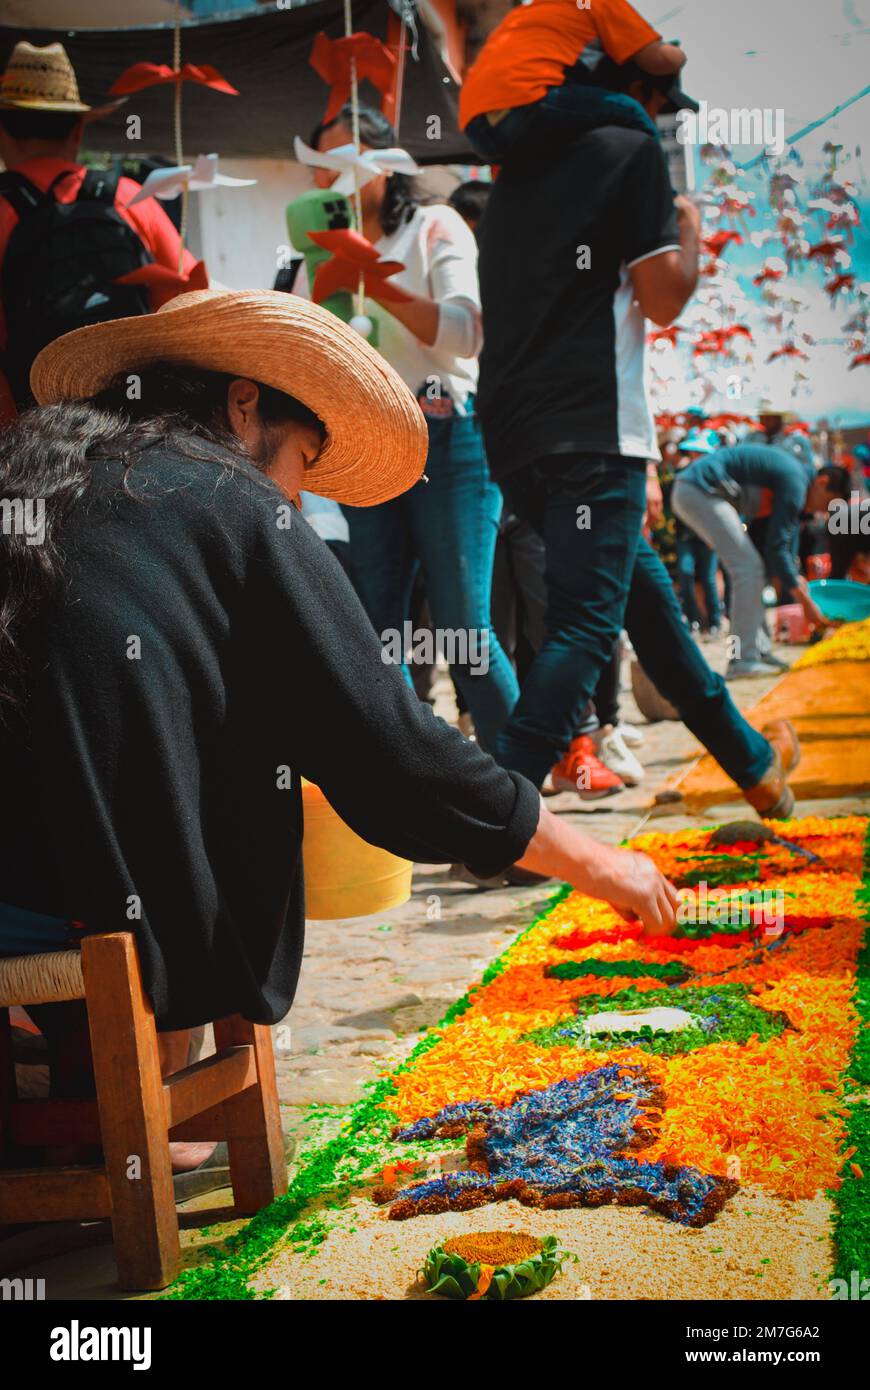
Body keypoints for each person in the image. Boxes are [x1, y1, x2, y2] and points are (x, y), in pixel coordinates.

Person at [0, 290, 680, 1112]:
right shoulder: (230, 498)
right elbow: (393, 749)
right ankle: (135, 1083)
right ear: (244, 405)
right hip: (87, 909)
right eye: (300, 466)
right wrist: (604, 865)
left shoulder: (30, 465)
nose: (294, 499)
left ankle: (86, 1081)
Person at [476, 61, 801, 819]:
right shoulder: (632, 149)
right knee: (588, 624)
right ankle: (499, 818)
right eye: (661, 107)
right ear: (640, 96)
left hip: (519, 431)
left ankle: (753, 765)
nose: (663, 122)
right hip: (593, 428)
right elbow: (661, 299)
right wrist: (688, 232)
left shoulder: (515, 170)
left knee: (650, 613)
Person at [298, 103, 518, 752]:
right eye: (317, 167)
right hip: (365, 449)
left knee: (465, 633)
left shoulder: (436, 225)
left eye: (342, 161)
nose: (327, 180)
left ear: (384, 163)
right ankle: (410, 811)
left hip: (450, 441)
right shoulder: (313, 253)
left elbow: (465, 334)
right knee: (374, 636)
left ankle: (525, 808)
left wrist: (370, 275)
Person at [0, 41, 199, 420]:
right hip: (131, 423)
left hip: (34, 434)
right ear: (77, 130)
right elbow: (188, 300)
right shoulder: (126, 197)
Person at [672, 444, 850, 678]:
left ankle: (758, 650)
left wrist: (792, 578)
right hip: (699, 490)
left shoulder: (792, 478)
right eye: (828, 504)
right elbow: (777, 548)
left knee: (753, 569)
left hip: (698, 491)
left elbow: (772, 550)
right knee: (746, 569)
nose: (823, 512)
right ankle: (740, 659)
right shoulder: (795, 481)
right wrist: (806, 603)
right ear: (822, 482)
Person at [459, 0, 687, 164]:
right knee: (632, 113)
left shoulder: (527, 14)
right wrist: (679, 55)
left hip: (476, 126)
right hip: (525, 102)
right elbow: (659, 60)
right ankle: (666, 199)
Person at [673, 429, 723, 635]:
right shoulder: (680, 476)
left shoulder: (717, 478)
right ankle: (692, 620)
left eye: (700, 452)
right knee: (685, 573)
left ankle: (714, 622)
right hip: (685, 536)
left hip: (708, 537)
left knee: (709, 578)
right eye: (693, 452)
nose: (696, 456)